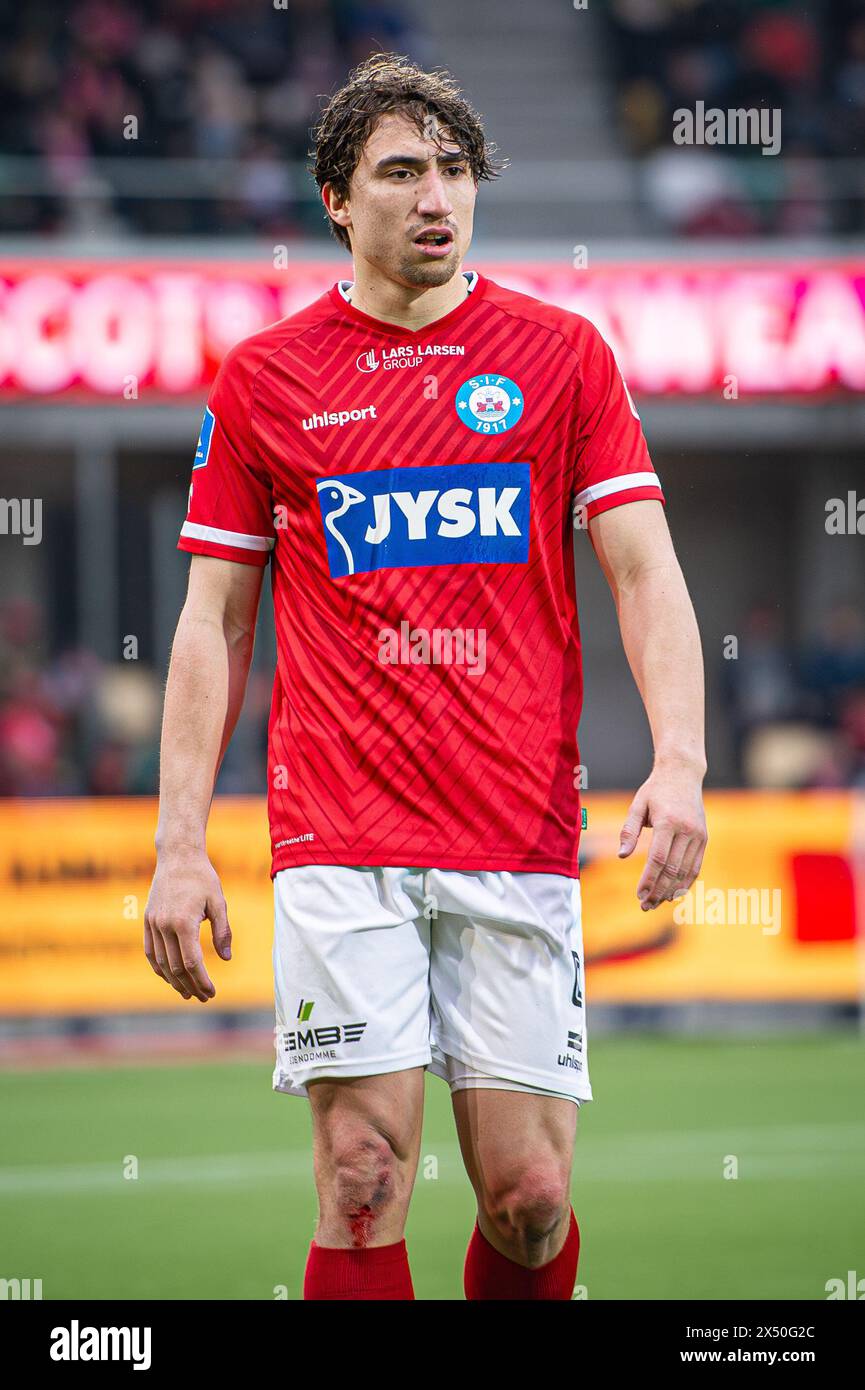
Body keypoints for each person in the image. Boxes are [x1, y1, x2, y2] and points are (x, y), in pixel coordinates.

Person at [144, 52, 708, 1301]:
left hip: (513, 827)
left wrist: (680, 760)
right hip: (339, 832)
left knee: (527, 1202)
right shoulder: (267, 380)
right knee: (360, 1174)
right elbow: (213, 621)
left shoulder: (561, 357)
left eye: (454, 171)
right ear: (337, 202)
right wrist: (179, 840)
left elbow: (645, 572)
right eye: (400, 172)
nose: (435, 196)